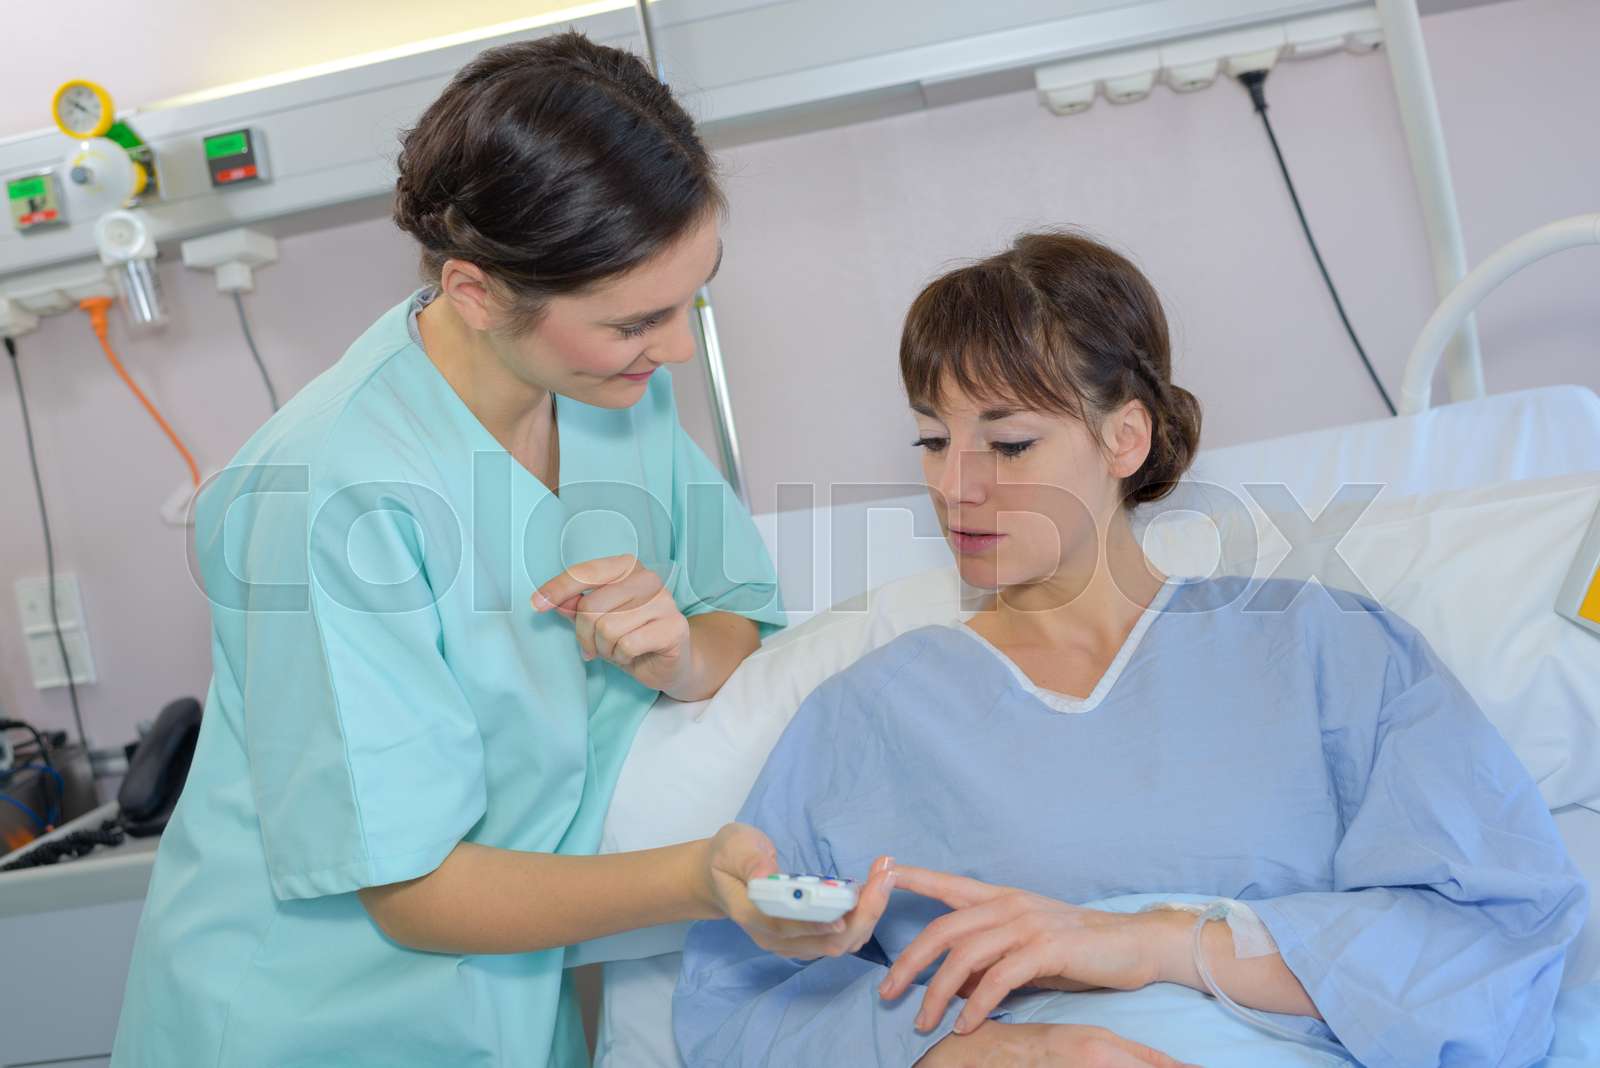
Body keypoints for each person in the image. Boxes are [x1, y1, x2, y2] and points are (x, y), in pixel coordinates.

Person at [673, 231, 1589, 1067]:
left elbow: (1492, 945)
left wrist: (1155, 942)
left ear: (1126, 437)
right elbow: (734, 1014)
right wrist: (979, 1053)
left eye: (1010, 442)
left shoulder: (1327, 652)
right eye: (932, 439)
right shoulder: (865, 715)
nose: (955, 486)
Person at [113, 32, 824, 1067]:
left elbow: (741, 622)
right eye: (637, 320)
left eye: (692, 299)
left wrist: (683, 657)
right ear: (476, 291)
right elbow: (414, 888)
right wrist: (699, 881)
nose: (673, 348)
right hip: (309, 1027)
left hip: (512, 1016)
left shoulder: (610, 399)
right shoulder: (326, 492)